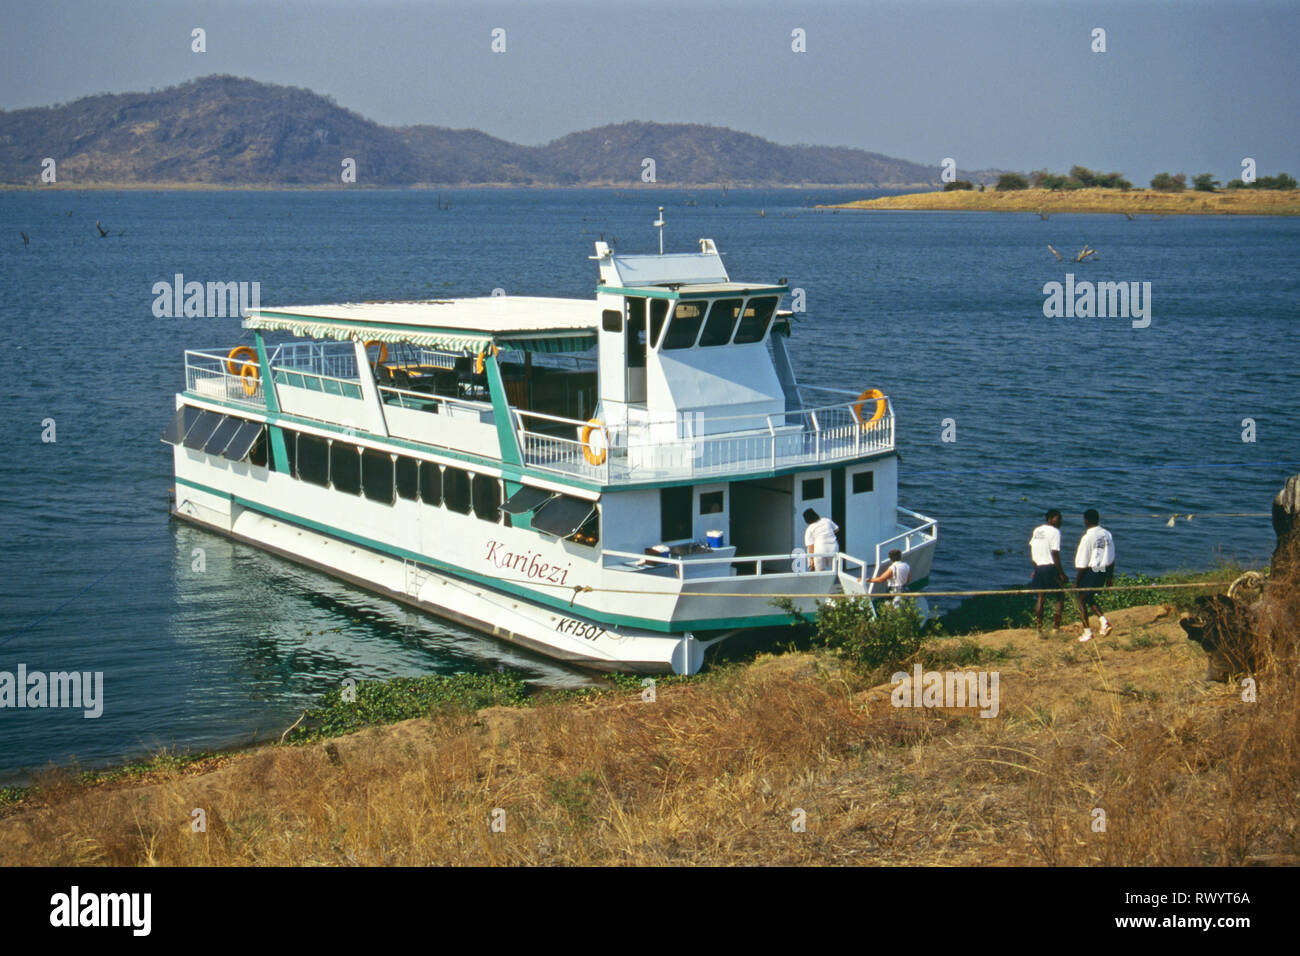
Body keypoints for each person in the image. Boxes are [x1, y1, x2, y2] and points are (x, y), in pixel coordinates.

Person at [1073, 508, 1115, 642]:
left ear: (1086, 520)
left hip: (1092, 570)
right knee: (1088, 597)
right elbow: (1112, 557)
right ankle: (1104, 622)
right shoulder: (1107, 534)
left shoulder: (1087, 537)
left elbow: (1082, 563)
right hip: (1102, 569)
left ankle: (1087, 632)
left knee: (1081, 600)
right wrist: (1110, 576)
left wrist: (1076, 581)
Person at [1029, 508, 1067, 635]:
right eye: (1058, 518)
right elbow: (1055, 553)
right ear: (1051, 519)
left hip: (1039, 567)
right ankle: (1056, 628)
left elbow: (1033, 550)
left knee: (1041, 598)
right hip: (1050, 567)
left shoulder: (1037, 530)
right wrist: (1061, 573)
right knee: (1060, 595)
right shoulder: (1055, 532)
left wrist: (1035, 568)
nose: (1060, 521)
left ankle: (1039, 630)